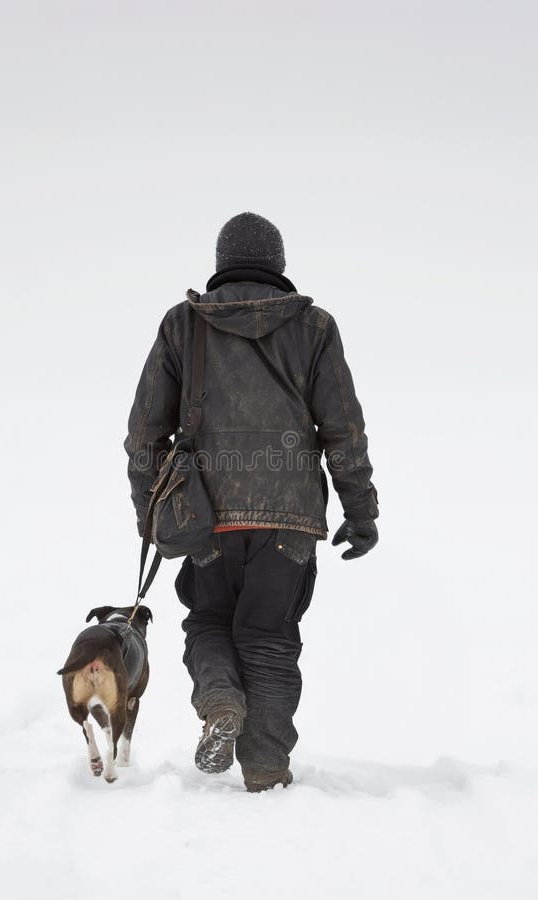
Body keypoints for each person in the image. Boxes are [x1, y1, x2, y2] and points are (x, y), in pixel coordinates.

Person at [124, 212, 379, 792]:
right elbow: (344, 431)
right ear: (279, 264)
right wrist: (361, 512)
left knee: (209, 620)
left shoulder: (183, 325)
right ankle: (266, 768)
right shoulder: (314, 327)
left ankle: (220, 701)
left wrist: (152, 516)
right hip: (289, 520)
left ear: (220, 264)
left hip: (205, 517)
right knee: (269, 637)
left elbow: (143, 437)